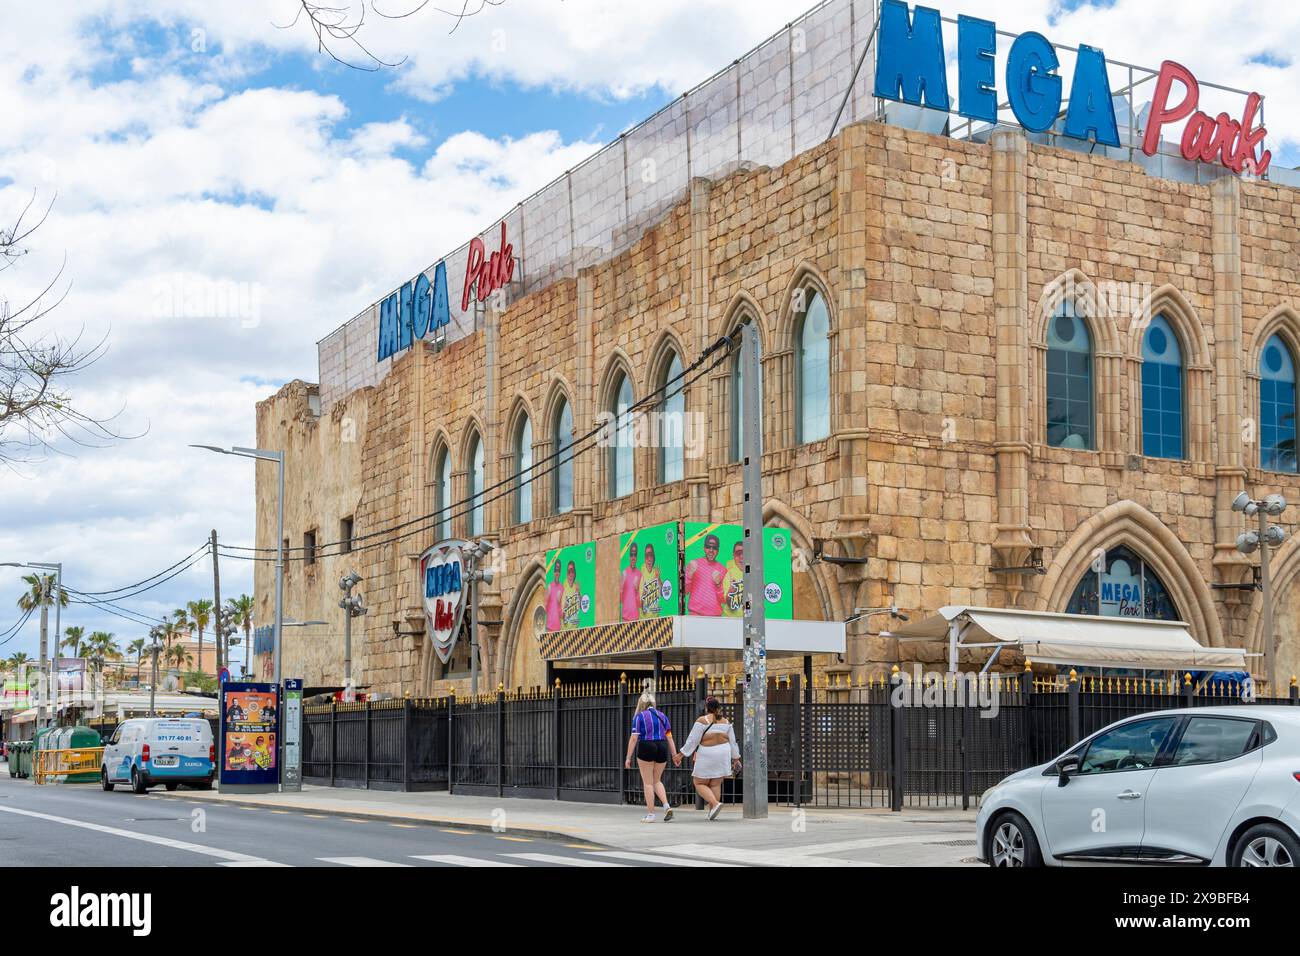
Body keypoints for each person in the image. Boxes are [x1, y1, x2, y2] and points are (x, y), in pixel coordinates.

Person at [674, 696, 740, 820]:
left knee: (698, 782)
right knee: (715, 784)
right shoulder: (726, 722)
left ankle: (715, 804)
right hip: (723, 752)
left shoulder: (702, 720)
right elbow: (733, 742)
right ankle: (712, 811)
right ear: (718, 708)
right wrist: (736, 758)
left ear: (706, 708)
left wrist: (681, 754)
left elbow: (692, 741)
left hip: (707, 753)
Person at [623, 690, 678, 822]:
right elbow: (669, 738)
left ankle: (651, 814)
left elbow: (634, 738)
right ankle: (667, 806)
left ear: (640, 704)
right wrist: (675, 755)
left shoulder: (639, 717)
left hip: (646, 745)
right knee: (657, 780)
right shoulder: (663, 716)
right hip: (662, 746)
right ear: (653, 703)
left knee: (647, 782)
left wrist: (628, 757)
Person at [684, 533, 725, 616]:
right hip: (695, 615)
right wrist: (689, 575)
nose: (711, 550)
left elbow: (724, 600)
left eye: (714, 548)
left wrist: (718, 584)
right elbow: (685, 591)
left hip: (715, 617)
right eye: (708, 547)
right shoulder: (694, 564)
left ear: (718, 550)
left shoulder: (722, 569)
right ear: (704, 548)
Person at [721, 540, 745, 617]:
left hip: (751, 622)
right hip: (731, 621)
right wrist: (730, 593)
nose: (742, 556)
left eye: (745, 553)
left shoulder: (756, 574)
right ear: (733, 556)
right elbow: (729, 604)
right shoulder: (729, 574)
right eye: (738, 553)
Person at [639, 544, 663, 617]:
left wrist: (658, 579)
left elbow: (663, 593)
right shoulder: (642, 570)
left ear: (653, 557)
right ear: (644, 558)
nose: (649, 558)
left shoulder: (656, 572)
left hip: (656, 617)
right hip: (643, 619)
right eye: (647, 556)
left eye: (651, 555)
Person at [620, 542, 641, 622]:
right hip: (625, 618)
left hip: (636, 618)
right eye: (631, 554)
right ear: (629, 557)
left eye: (635, 555)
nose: (633, 557)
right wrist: (621, 586)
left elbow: (640, 604)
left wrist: (636, 590)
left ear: (637, 557)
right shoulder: (624, 573)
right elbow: (620, 600)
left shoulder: (639, 574)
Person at [561, 561, 581, 629]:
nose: (570, 574)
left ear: (574, 573)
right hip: (565, 628)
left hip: (575, 626)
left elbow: (581, 606)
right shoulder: (565, 585)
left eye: (572, 571)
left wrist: (578, 593)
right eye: (569, 571)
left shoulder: (577, 586)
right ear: (567, 574)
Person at [545, 562, 564, 631]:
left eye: (558, 571)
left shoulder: (562, 588)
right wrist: (548, 597)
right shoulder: (549, 586)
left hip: (558, 627)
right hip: (549, 626)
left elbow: (562, 614)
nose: (557, 573)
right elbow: (545, 610)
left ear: (560, 573)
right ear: (553, 572)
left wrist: (558, 602)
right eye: (555, 571)